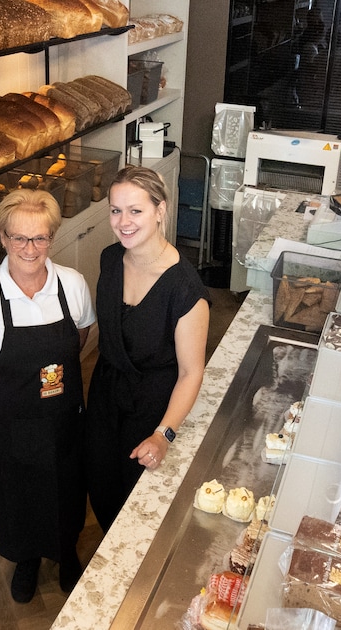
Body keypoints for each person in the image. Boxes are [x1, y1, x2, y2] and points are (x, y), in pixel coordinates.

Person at [0, 189, 95, 603]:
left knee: (67, 485)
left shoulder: (72, 285)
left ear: (52, 237)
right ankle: (27, 558)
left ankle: (65, 551)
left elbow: (81, 338)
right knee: (15, 493)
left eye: (40, 238)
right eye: (19, 238)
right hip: (8, 424)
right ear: (2, 237)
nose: (30, 249)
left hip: (62, 417)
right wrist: (4, 392)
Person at [84, 166, 210, 533]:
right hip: (106, 395)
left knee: (137, 500)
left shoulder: (185, 290)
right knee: (102, 485)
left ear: (160, 210)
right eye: (115, 210)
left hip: (153, 405)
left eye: (135, 211)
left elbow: (191, 372)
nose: (123, 222)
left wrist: (163, 434)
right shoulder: (110, 259)